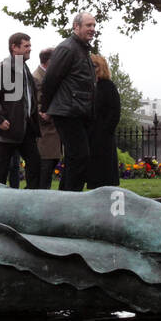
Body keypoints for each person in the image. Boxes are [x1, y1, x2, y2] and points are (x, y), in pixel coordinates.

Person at [40, 12, 98, 191]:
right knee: (80, 156)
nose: (92, 29)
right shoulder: (68, 48)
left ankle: (66, 197)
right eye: (88, 25)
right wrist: (46, 108)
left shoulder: (82, 50)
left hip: (77, 111)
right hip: (67, 111)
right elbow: (50, 79)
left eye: (94, 25)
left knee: (75, 157)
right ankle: (71, 198)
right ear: (76, 26)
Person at [0, 33, 44, 188]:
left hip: (26, 128)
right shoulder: (4, 68)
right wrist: (0, 119)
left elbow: (29, 96)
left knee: (35, 163)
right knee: (1, 169)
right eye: (26, 46)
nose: (30, 49)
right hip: (9, 127)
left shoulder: (23, 67)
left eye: (30, 46)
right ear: (14, 48)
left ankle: (30, 197)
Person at [86, 53, 121, 188]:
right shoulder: (90, 86)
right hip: (91, 134)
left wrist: (104, 131)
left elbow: (114, 112)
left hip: (102, 135)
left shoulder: (107, 86)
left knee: (103, 171)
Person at [32, 48, 62, 189]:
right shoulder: (37, 77)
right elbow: (34, 103)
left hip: (53, 132)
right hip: (45, 132)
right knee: (44, 171)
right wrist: (46, 113)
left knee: (48, 169)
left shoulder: (50, 76)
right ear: (49, 62)